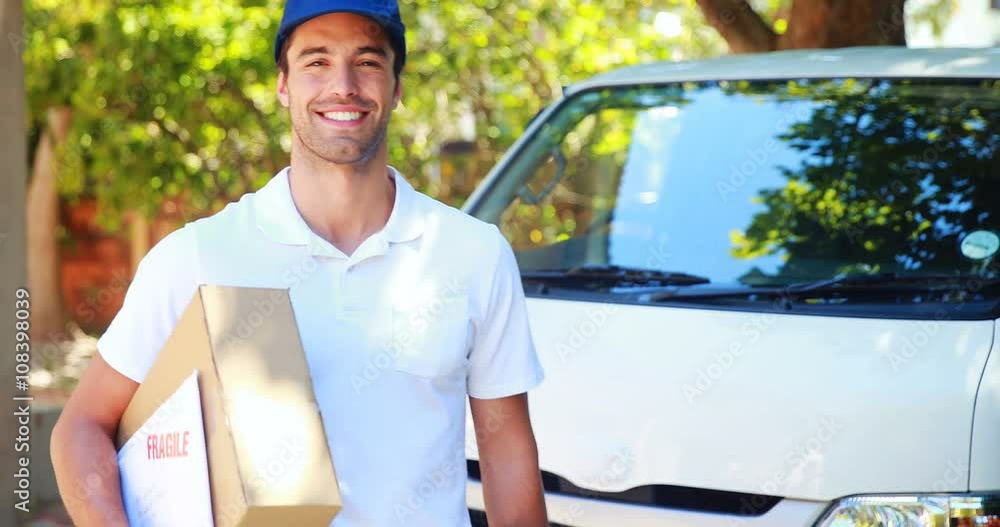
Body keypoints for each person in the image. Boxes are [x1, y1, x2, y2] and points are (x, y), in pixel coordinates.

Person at [50, 1, 548, 525]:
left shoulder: (473, 253)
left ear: (397, 86)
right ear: (283, 85)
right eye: (316, 61)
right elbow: (82, 426)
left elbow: (506, 449)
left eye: (367, 61)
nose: (343, 85)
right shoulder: (198, 256)